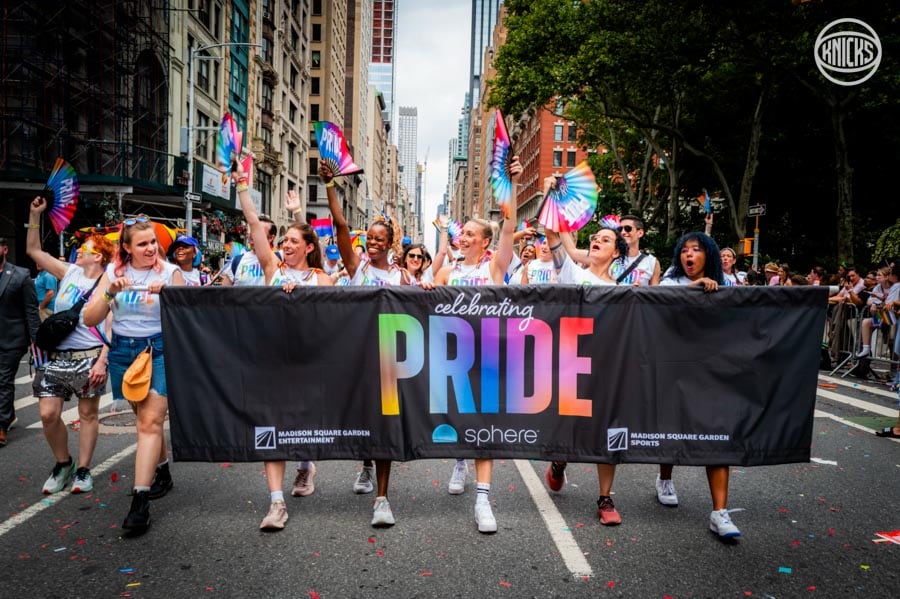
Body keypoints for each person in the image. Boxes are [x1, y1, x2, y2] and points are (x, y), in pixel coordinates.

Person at [234, 162, 333, 531]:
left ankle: (306, 468)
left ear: (308, 248)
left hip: (308, 364)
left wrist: (301, 300)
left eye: (293, 241)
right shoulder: (272, 270)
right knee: (271, 427)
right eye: (283, 241)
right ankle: (276, 504)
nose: (285, 245)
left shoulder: (321, 279)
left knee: (303, 424)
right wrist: (243, 184)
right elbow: (255, 225)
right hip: (271, 361)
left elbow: (336, 322)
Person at [434, 155, 524, 534]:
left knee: (485, 425)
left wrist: (512, 185)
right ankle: (459, 462)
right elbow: (429, 308)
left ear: (485, 242)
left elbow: (509, 227)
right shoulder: (445, 271)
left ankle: (483, 499)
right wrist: (427, 287)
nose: (464, 237)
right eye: (462, 233)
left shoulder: (494, 269)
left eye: (472, 234)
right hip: (454, 357)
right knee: (459, 420)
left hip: (488, 356)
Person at [321, 159, 413, 528]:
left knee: (385, 426)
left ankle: (382, 498)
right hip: (357, 357)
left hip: (390, 361)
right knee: (363, 421)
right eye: (369, 239)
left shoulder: (402, 275)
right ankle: (365, 466)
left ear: (390, 243)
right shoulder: (356, 268)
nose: (372, 244)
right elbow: (342, 226)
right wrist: (331, 186)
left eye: (379, 240)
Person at [83, 215, 184, 534]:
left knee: (149, 423)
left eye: (153, 242)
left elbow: (188, 316)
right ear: (126, 248)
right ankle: (163, 471)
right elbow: (89, 318)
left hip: (159, 350)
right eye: (143, 244)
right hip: (123, 352)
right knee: (144, 417)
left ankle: (140, 503)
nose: (151, 248)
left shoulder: (171, 272)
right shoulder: (113, 272)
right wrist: (109, 292)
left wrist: (168, 293)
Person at [540, 176, 628, 525]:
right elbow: (551, 236)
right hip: (571, 366)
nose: (595, 241)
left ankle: (605, 499)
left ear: (617, 252)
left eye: (605, 239)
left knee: (608, 431)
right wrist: (553, 195)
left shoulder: (626, 291)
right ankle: (561, 460)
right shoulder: (572, 274)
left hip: (607, 369)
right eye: (594, 237)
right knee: (572, 429)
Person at [27, 196, 115, 493]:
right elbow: (33, 250)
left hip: (89, 357)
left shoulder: (108, 281)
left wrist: (103, 360)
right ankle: (63, 464)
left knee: (88, 414)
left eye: (86, 248)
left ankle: (84, 469)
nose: (79, 251)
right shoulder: (69, 272)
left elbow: (111, 326)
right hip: (57, 356)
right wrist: (34, 214)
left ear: (99, 256)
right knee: (48, 414)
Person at [658, 231, 741, 538]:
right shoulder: (671, 283)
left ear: (709, 255)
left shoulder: (729, 286)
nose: (688, 255)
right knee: (671, 428)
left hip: (712, 371)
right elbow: (656, 302)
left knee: (718, 436)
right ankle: (665, 478)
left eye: (695, 250)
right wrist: (692, 290)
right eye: (684, 250)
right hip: (674, 369)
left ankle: (720, 512)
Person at [0, 236, 41, 446]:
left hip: (12, 340)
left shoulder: (21, 275)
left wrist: (37, 341)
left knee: (3, 379)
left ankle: (1, 425)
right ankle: (8, 413)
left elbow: (31, 311)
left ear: (4, 249)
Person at [613, 215, 661, 285]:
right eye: (620, 229)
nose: (623, 232)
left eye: (627, 228)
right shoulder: (610, 256)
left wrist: (639, 291)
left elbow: (654, 293)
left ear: (640, 233)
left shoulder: (652, 262)